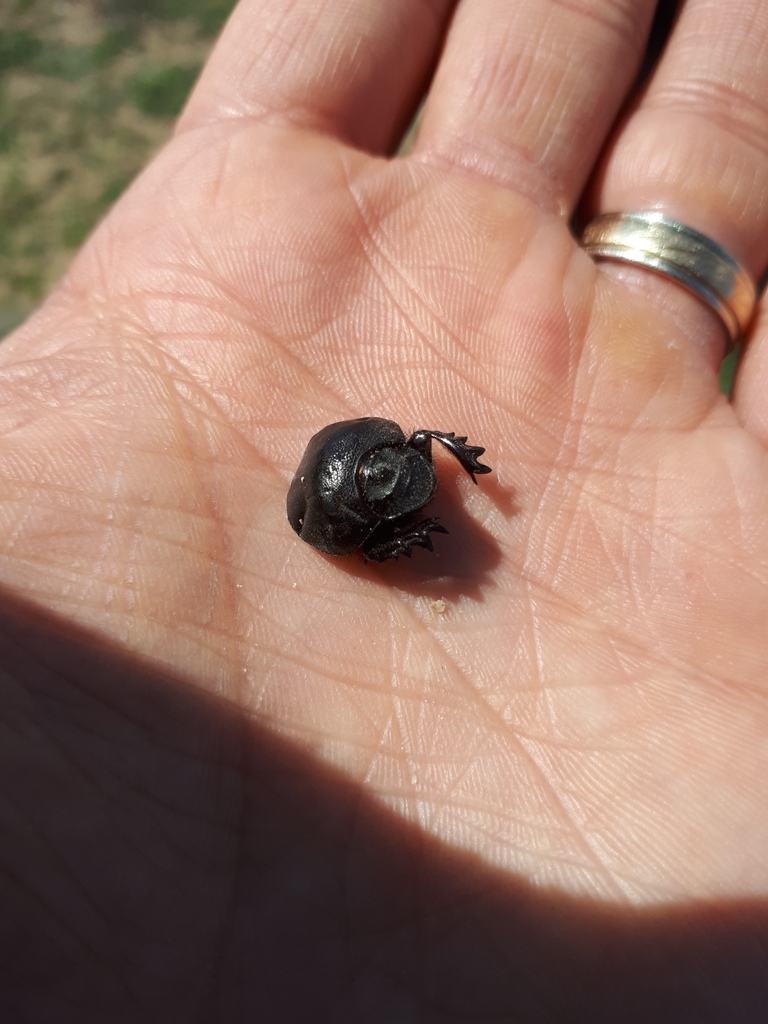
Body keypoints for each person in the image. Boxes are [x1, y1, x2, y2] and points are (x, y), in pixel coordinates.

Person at [2, 0, 768, 1019]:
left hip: (350, 476)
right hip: (337, 502)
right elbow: (387, 515)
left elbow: (419, 444)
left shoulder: (396, 458)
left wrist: (459, 469)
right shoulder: (351, 520)